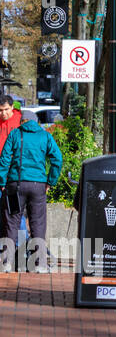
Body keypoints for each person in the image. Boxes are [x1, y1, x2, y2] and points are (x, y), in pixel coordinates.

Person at [0, 113, 63, 272]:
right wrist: (51, 181)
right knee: (38, 223)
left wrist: (2, 181)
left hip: (15, 185)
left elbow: (4, 158)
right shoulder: (45, 136)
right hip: (38, 187)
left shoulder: (15, 134)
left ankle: (6, 263)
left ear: (22, 122)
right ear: (37, 122)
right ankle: (39, 264)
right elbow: (57, 159)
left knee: (12, 222)